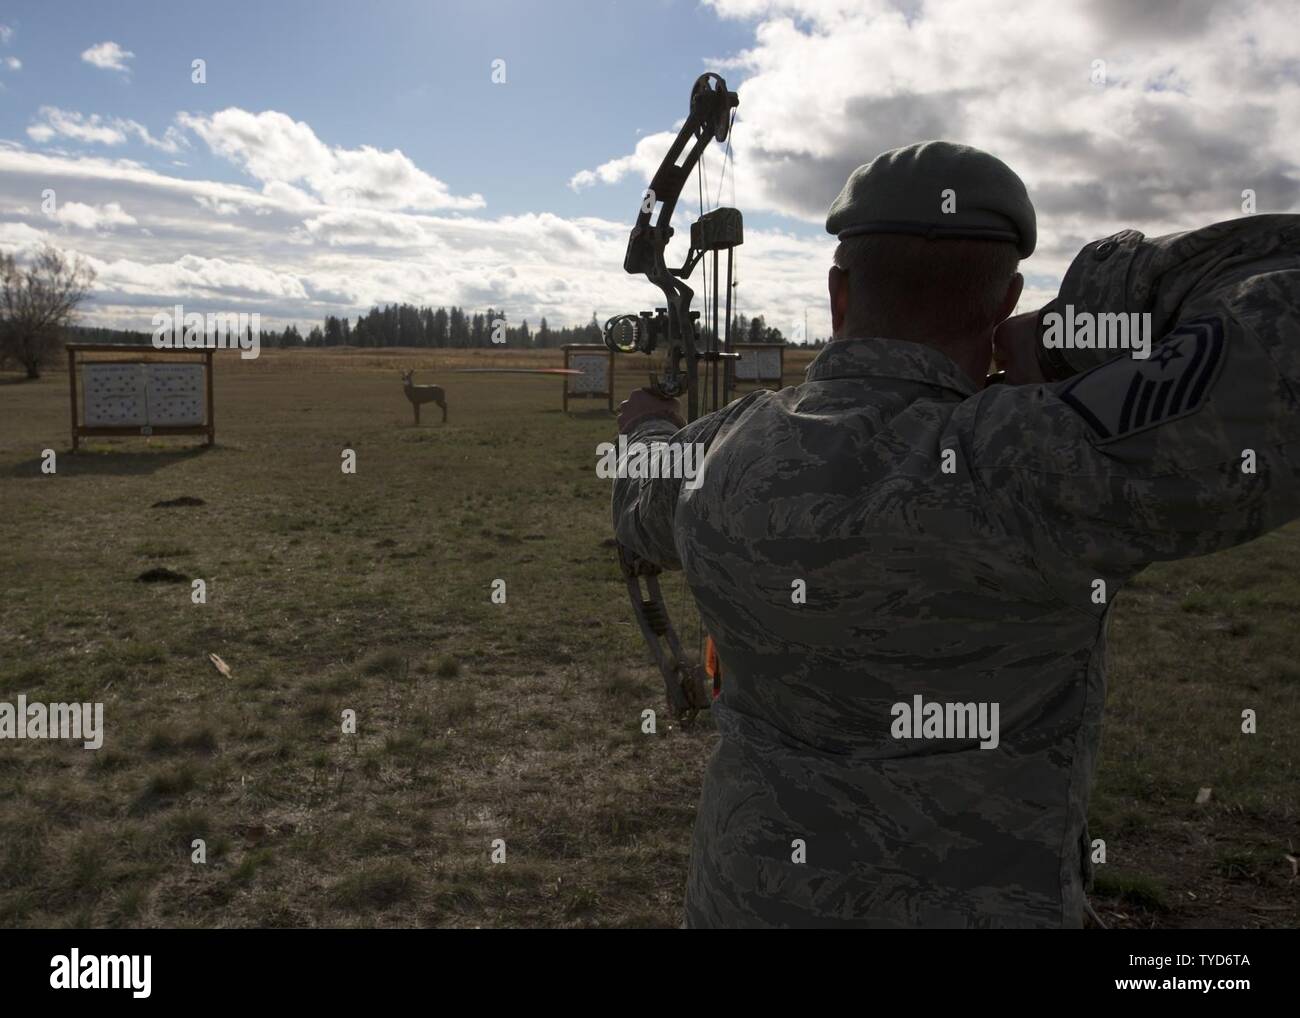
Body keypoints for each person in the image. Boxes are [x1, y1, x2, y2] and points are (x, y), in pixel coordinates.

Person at [612, 139, 1300, 928]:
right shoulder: (1032, 460)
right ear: (1007, 297)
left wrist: (649, 423)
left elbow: (641, 486)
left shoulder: (723, 453)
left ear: (840, 295)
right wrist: (1088, 320)